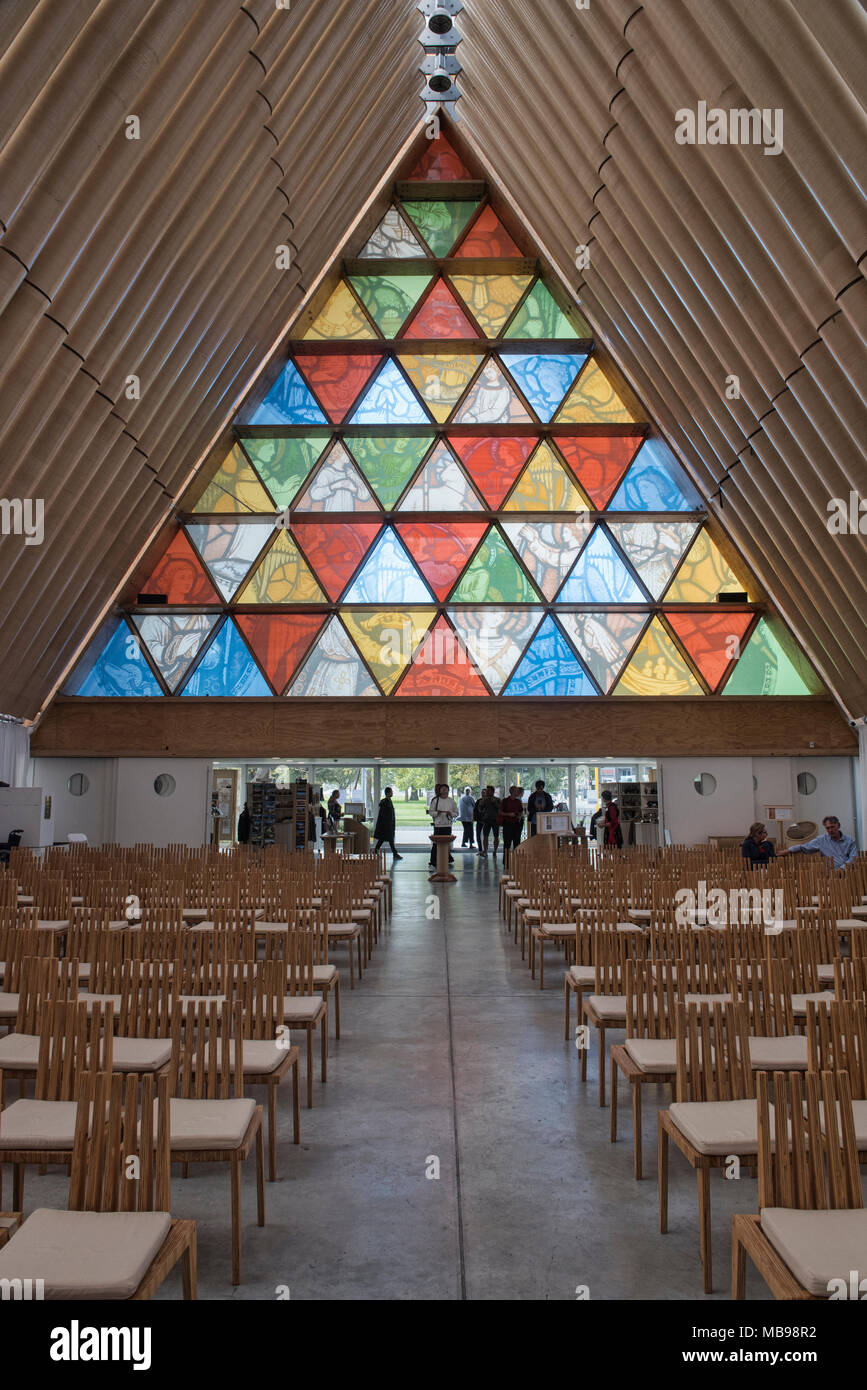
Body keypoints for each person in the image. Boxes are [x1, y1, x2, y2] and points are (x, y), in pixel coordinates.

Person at [779, 815, 857, 869]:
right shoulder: (821, 840)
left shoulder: (850, 840)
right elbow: (804, 847)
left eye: (832, 827)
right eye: (827, 828)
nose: (830, 830)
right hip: (831, 876)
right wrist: (789, 850)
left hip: (849, 874)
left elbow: (853, 858)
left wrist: (842, 869)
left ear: (838, 826)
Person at [428, 784, 458, 867]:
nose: (444, 790)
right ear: (440, 790)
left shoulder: (451, 801)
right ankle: (433, 861)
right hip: (438, 825)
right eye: (442, 789)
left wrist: (450, 813)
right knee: (435, 844)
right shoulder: (435, 800)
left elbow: (456, 813)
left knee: (446, 844)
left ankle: (445, 860)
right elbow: (431, 812)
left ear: (448, 790)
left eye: (446, 789)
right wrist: (437, 813)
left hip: (447, 825)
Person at [373, 786, 403, 861]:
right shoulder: (386, 802)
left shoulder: (388, 801)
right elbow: (385, 815)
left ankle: (376, 851)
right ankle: (394, 853)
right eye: (391, 791)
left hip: (387, 825)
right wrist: (388, 824)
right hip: (386, 825)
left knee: (384, 839)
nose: (392, 793)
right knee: (388, 839)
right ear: (388, 793)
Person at [499, 785, 524, 867]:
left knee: (517, 843)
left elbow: (521, 811)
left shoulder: (518, 801)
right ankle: (506, 862)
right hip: (507, 824)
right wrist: (509, 814)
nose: (518, 792)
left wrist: (519, 816)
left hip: (516, 824)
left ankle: (517, 861)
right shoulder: (505, 801)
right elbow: (500, 812)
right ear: (512, 792)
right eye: (516, 791)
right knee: (507, 843)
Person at [477, 786, 501, 858]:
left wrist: (494, 803)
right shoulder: (484, 800)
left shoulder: (498, 799)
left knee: (496, 836)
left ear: (492, 792)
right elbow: (480, 810)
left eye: (488, 791)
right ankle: (485, 851)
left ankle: (495, 851)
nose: (487, 792)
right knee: (485, 836)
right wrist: (481, 805)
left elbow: (500, 809)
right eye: (486, 791)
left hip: (495, 820)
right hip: (486, 820)